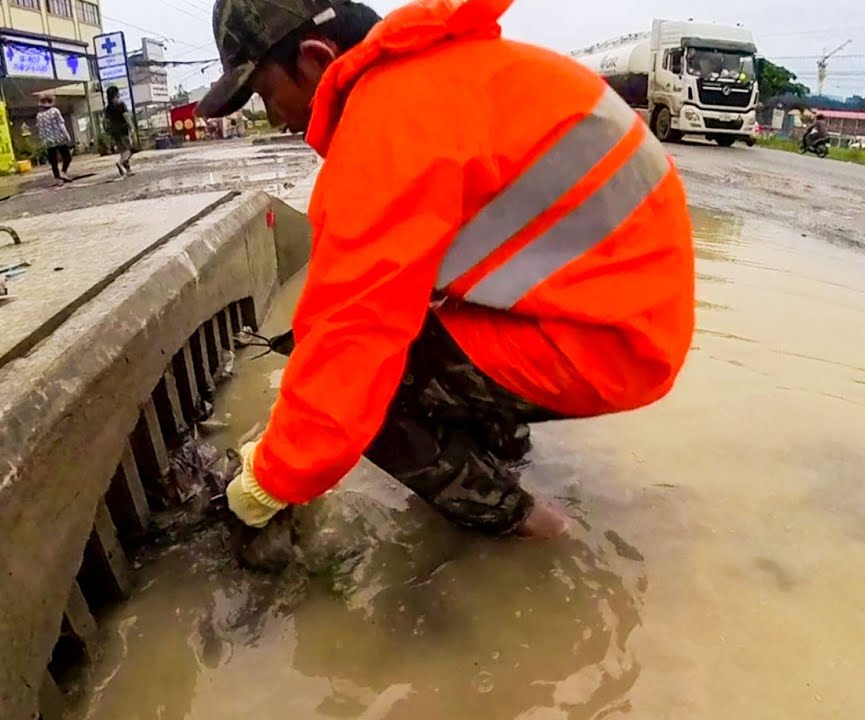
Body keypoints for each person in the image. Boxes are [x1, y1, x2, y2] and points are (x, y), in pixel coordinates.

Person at [198, 0, 695, 538]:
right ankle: (505, 452)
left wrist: (265, 482)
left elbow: (348, 363)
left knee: (375, 386)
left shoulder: (384, 125)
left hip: (606, 340)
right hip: (635, 311)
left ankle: (533, 528)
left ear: (316, 59)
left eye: (268, 94)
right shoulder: (448, 73)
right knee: (414, 327)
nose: (274, 117)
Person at [35, 95, 73, 183]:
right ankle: (63, 172)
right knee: (67, 157)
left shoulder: (39, 116)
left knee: (53, 160)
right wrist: (67, 135)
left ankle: (57, 177)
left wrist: (42, 140)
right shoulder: (55, 111)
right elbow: (61, 124)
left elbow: (40, 130)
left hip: (48, 141)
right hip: (58, 138)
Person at [104, 86, 134, 177]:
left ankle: (128, 170)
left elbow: (107, 121)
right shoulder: (120, 104)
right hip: (123, 129)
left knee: (122, 151)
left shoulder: (108, 108)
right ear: (116, 93)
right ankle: (120, 163)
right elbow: (126, 116)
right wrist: (131, 127)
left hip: (114, 131)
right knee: (130, 149)